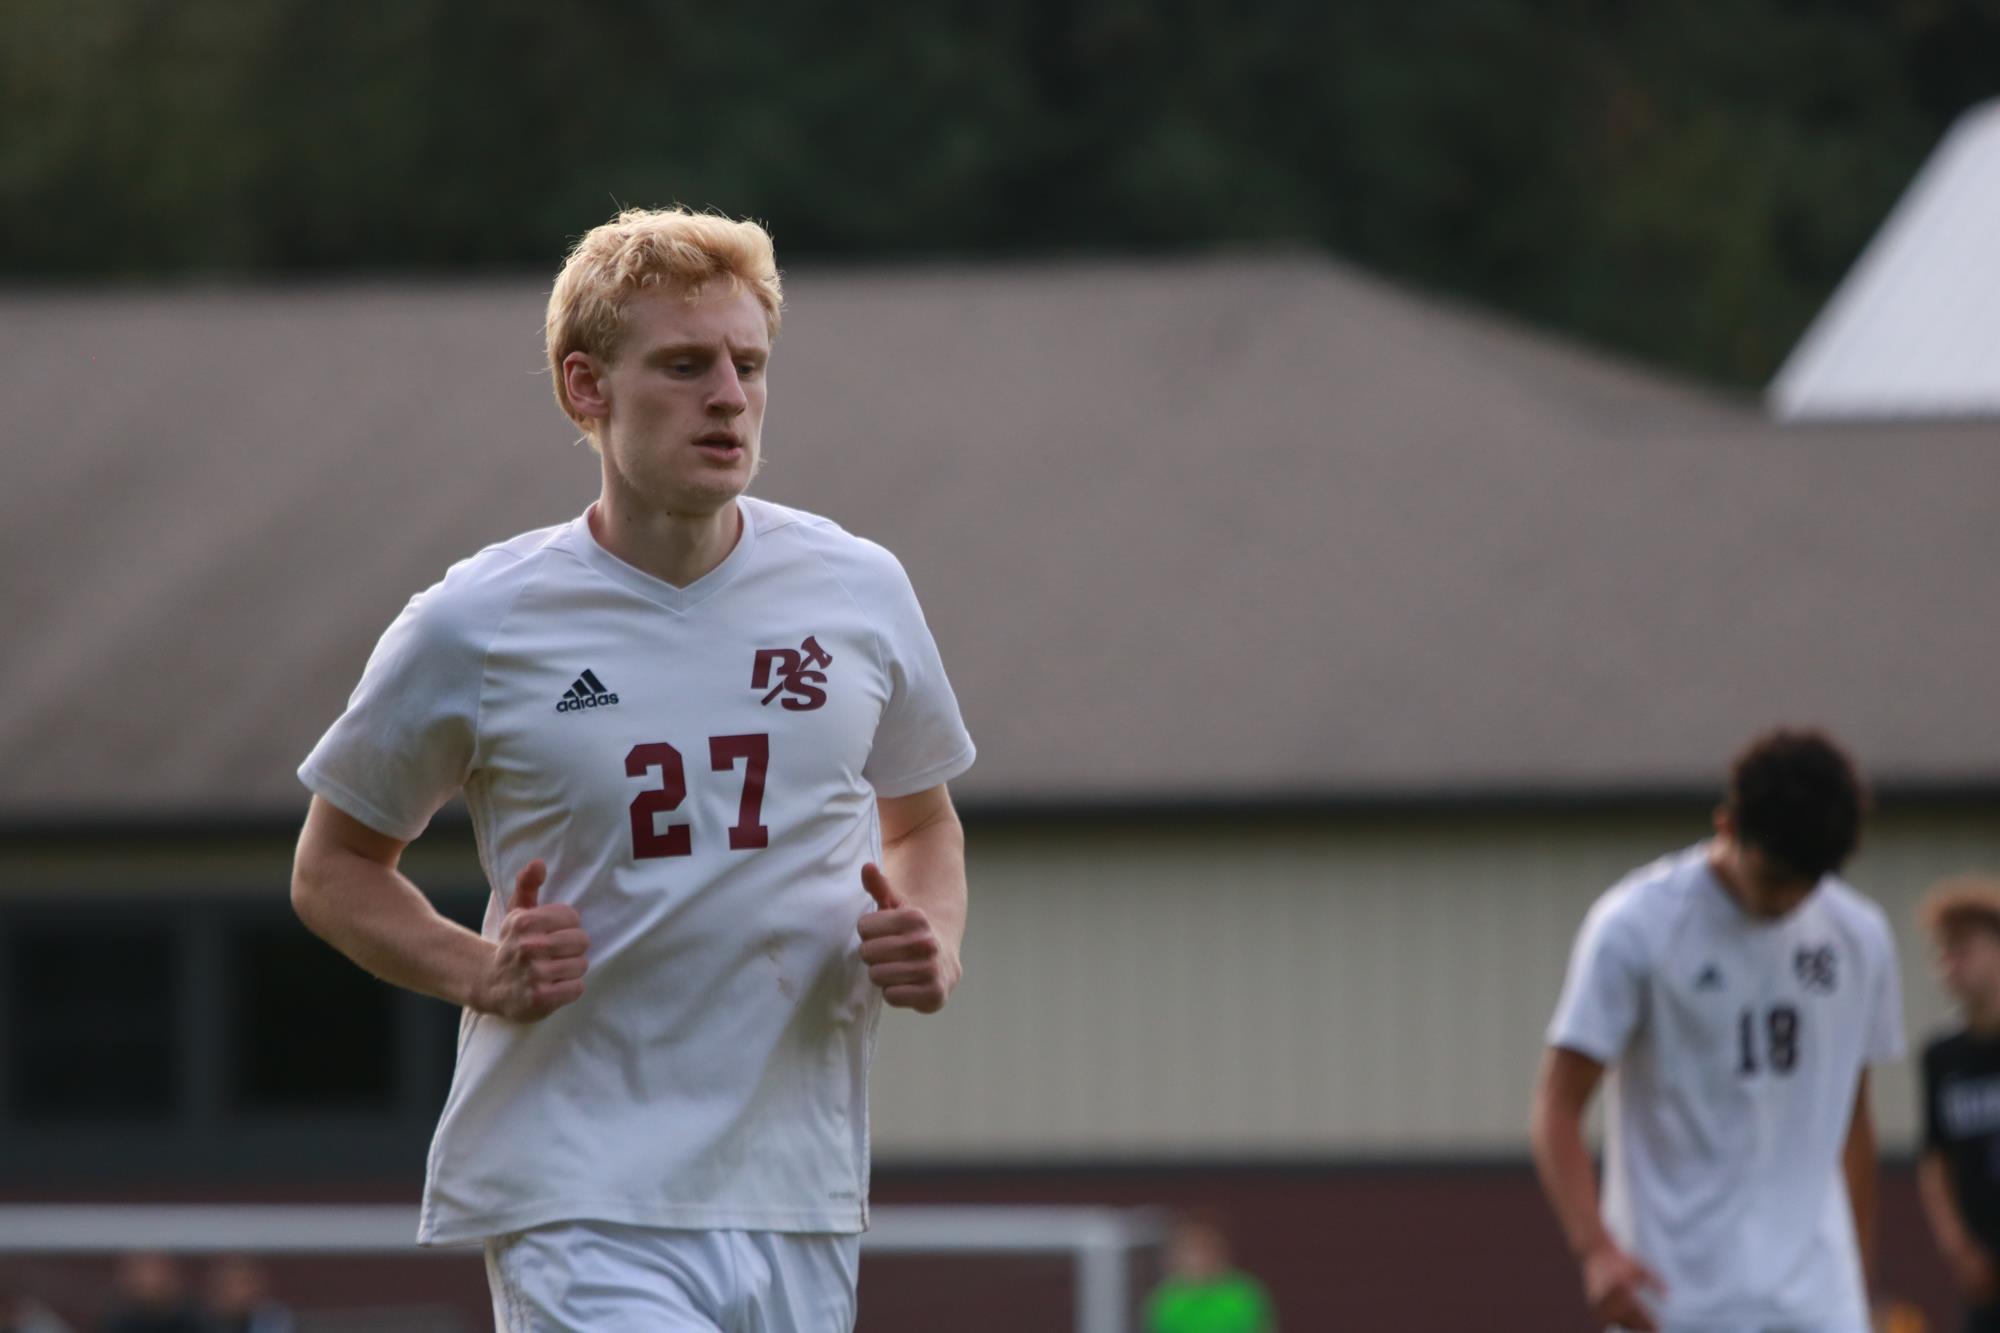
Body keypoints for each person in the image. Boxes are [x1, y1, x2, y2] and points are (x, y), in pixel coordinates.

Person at [290, 207, 976, 1331]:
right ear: (584, 388)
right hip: (580, 1190)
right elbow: (334, 871)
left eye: (748, 365)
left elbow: (923, 824)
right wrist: (478, 969)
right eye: (684, 364)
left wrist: (932, 934)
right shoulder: (475, 622)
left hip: (796, 1186)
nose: (729, 396)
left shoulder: (857, 589)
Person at [1529, 727, 1903, 1333]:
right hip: (1678, 1298)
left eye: (1805, 884)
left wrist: (1855, 1282)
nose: (1786, 901)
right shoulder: (1635, 927)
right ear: (1727, 826)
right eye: (1773, 877)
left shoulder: (1859, 937)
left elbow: (1853, 1117)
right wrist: (1596, 1250)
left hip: (1817, 1302)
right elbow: (1557, 1105)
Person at [1916, 876, 2000, 1332]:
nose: (1950, 964)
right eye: (1943, 953)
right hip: (1984, 1268)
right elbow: (1935, 1157)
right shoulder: (1942, 1057)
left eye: (1963, 949)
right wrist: (1957, 1248)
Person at [1143, 1216, 1275, 1333]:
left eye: (1202, 1249)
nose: (1196, 1259)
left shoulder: (1244, 1293)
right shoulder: (1165, 1300)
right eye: (1189, 1252)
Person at [98, 1255, 207, 1333]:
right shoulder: (119, 1323)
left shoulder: (191, 1322)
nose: (151, 1278)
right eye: (144, 1271)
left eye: (158, 1269)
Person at [201, 1258, 293, 1333]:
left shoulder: (271, 1318)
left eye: (243, 1282)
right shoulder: (201, 1321)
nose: (237, 1291)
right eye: (230, 1283)